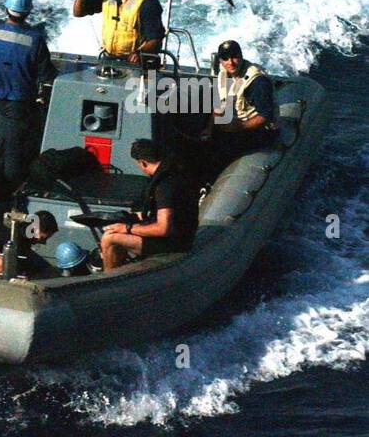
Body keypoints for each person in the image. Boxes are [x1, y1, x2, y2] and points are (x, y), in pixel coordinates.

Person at [0, 0, 55, 192]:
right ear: (28, 12)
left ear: (6, 9)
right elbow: (47, 75)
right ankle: (11, 188)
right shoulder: (35, 40)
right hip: (15, 105)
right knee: (14, 155)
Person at [99, 138, 198, 270]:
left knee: (109, 239)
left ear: (143, 163)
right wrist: (132, 217)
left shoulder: (164, 186)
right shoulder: (173, 173)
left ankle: (110, 283)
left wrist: (126, 228)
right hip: (182, 236)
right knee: (116, 229)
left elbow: (164, 228)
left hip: (174, 244)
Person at [209, 39, 278, 174]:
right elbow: (220, 105)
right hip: (234, 123)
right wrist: (209, 128)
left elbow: (266, 116)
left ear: (241, 56)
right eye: (225, 58)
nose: (231, 62)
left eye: (235, 57)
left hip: (258, 131)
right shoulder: (224, 74)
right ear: (220, 61)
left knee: (220, 150)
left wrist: (239, 127)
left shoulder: (257, 82)